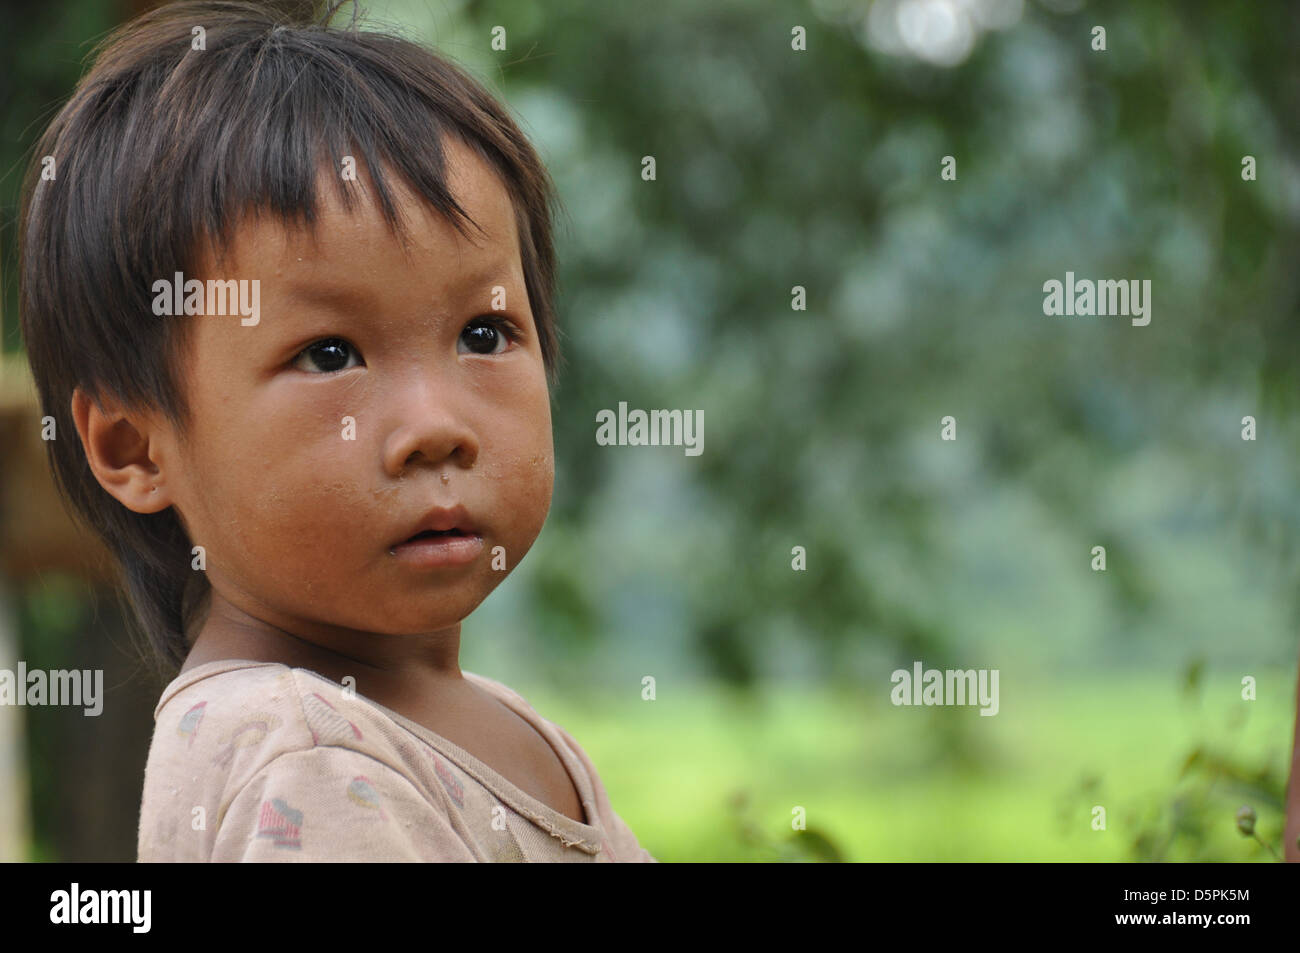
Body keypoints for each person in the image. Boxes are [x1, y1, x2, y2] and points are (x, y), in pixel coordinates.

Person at [18, 0, 656, 863]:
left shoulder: (483, 722)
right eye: (329, 354)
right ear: (135, 446)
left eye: (483, 334)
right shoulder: (301, 758)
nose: (436, 427)